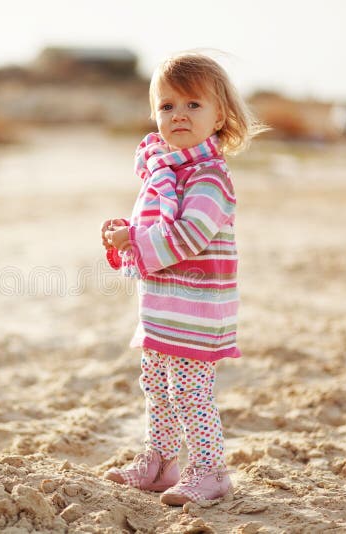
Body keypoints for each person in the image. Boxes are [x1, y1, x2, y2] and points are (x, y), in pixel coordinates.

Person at [100, 51, 267, 506]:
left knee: (189, 390)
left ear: (220, 116)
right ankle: (160, 462)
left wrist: (133, 238)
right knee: (155, 384)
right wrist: (127, 233)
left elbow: (189, 235)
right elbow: (156, 225)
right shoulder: (164, 172)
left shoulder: (210, 175)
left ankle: (210, 472)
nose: (179, 115)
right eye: (167, 106)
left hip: (197, 310)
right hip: (163, 306)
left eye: (194, 105)